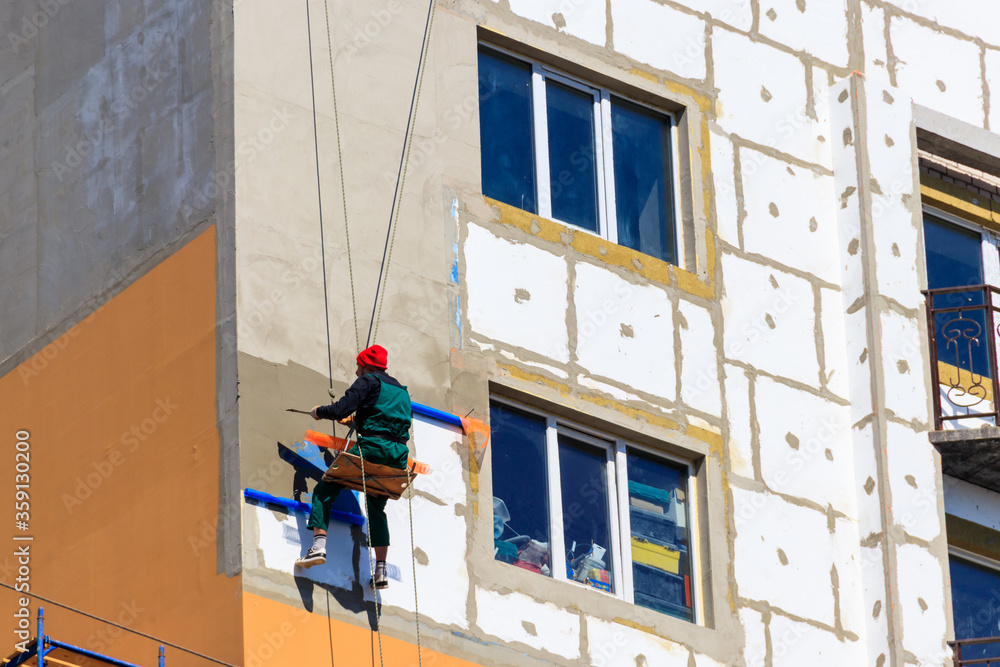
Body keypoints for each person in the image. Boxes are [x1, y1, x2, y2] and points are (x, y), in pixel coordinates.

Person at [295, 344, 411, 590]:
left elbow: (339, 409)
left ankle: (318, 547)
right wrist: (358, 421)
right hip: (397, 456)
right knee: (376, 505)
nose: (356, 372)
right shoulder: (401, 391)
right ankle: (381, 570)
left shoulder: (367, 381)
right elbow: (387, 420)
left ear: (366, 365)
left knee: (327, 488)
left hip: (372, 449)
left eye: (358, 366)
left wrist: (319, 412)